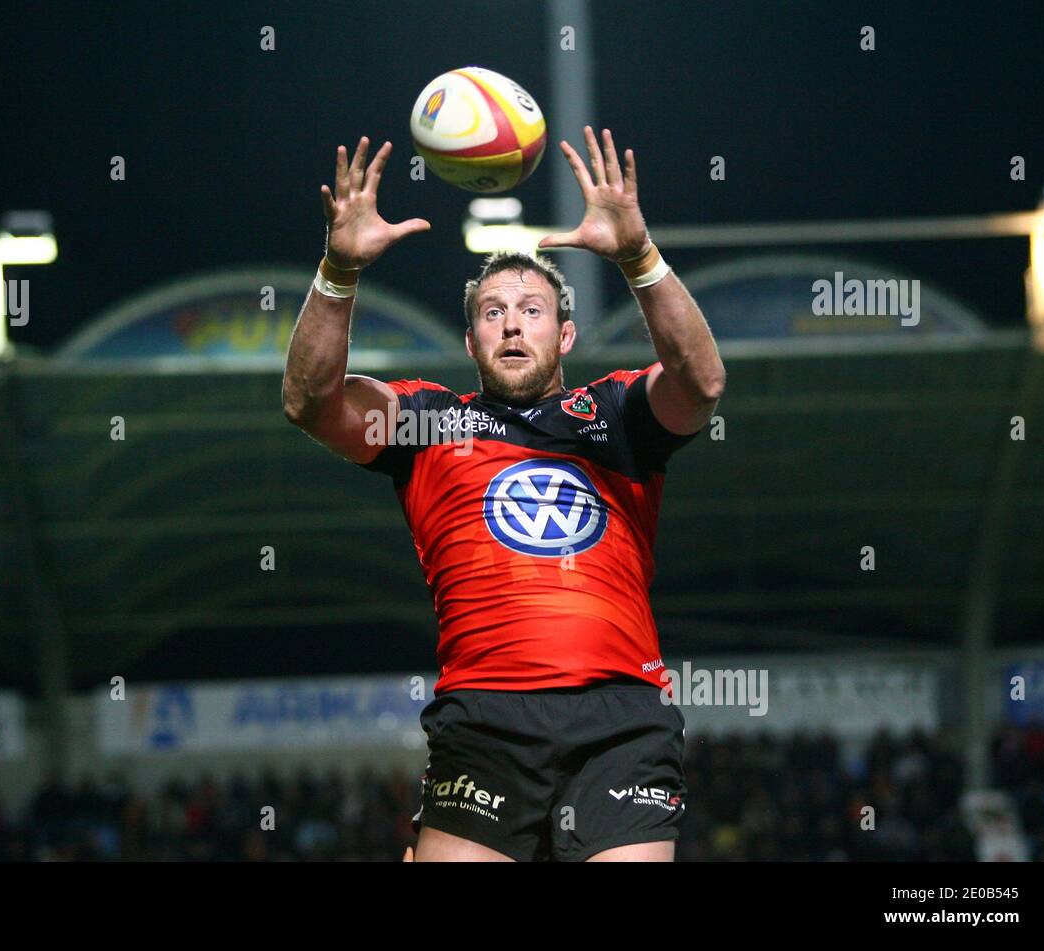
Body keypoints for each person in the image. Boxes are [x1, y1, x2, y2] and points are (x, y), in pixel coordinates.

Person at [282, 127, 724, 862]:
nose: (513, 322)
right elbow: (308, 401)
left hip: (621, 717)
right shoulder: (426, 421)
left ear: (566, 335)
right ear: (470, 343)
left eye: (531, 309)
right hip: (483, 719)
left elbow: (702, 383)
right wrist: (338, 271)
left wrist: (637, 257)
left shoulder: (616, 416)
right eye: (492, 312)